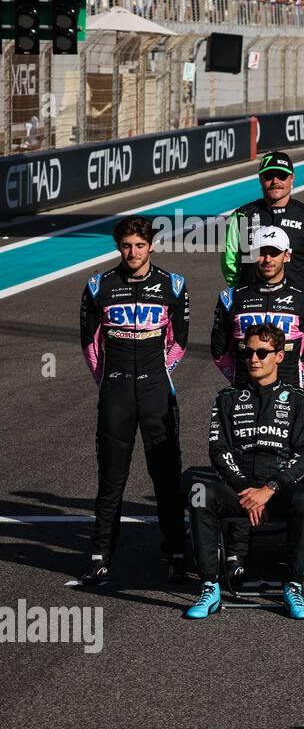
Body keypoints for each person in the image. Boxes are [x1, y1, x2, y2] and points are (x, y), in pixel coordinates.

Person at [80, 216, 190, 586]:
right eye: (126, 245)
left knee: (166, 476)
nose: (133, 252)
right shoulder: (99, 286)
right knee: (111, 478)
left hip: (156, 390)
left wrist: (160, 372)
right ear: (118, 247)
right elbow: (90, 345)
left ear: (151, 246)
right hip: (116, 391)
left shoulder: (172, 285)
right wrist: (110, 381)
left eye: (139, 245)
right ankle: (99, 553)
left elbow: (179, 342)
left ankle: (176, 551)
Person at [184, 324, 304, 620]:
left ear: (280, 356)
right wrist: (247, 491)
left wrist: (268, 490)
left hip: (278, 490)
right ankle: (209, 586)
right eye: (248, 352)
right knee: (198, 493)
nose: (253, 358)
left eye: (262, 352)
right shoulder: (226, 399)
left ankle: (294, 584)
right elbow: (218, 451)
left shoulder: (300, 399)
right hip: (239, 489)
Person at [211, 225, 304, 388]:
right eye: (261, 253)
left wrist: (298, 381)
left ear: (287, 255)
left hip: (289, 394)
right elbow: (219, 351)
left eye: (274, 253)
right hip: (244, 393)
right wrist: (238, 379)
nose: (268, 259)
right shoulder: (230, 297)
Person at [222, 151, 304, 293]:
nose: (275, 182)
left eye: (282, 176)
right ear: (260, 179)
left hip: (294, 306)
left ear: (292, 178)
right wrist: (241, 293)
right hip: (249, 303)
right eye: (268, 176)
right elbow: (229, 264)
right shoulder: (240, 216)